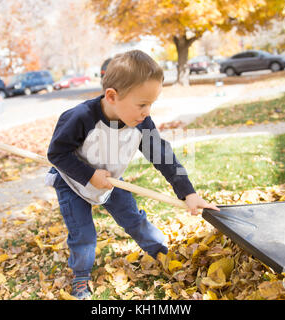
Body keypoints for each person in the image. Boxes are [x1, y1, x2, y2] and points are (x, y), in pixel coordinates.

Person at [46, 50, 219, 299]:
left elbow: (162, 155)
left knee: (134, 218)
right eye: (142, 104)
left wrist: (188, 193)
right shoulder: (80, 117)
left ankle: (161, 253)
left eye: (151, 104)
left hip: (111, 181)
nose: (147, 111)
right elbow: (56, 153)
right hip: (72, 181)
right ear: (112, 96)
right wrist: (89, 174)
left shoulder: (141, 123)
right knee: (83, 233)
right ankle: (81, 275)